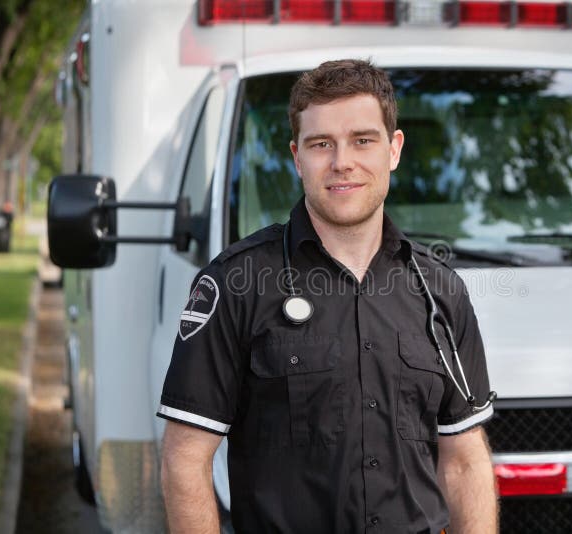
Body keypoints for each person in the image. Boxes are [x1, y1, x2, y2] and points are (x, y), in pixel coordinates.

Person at [158, 59, 497, 534]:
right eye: (322, 145)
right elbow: (184, 459)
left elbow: (464, 461)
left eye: (363, 140)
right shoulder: (236, 284)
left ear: (393, 150)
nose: (343, 162)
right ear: (297, 157)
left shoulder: (440, 290)